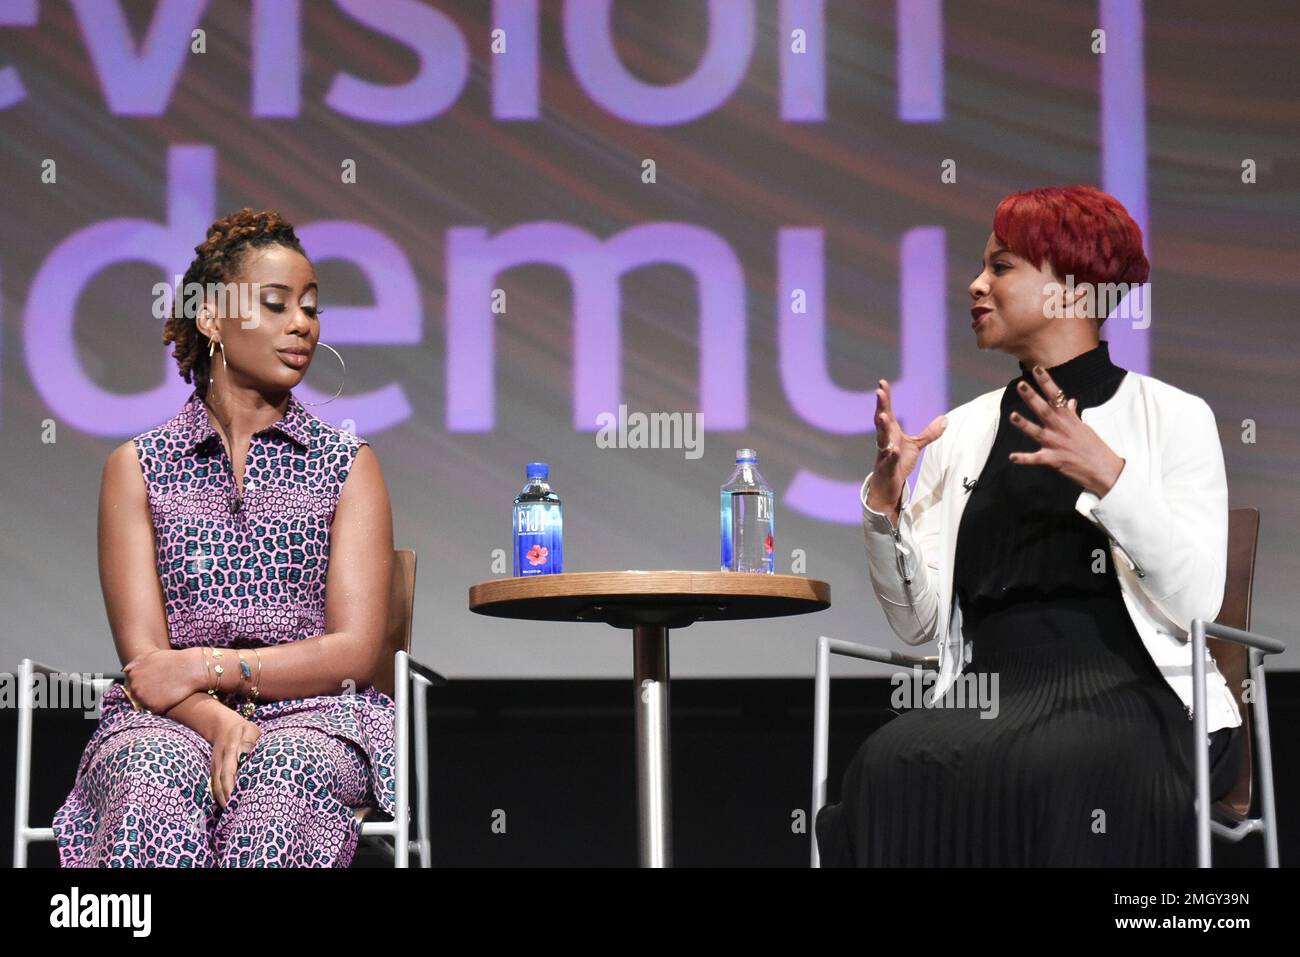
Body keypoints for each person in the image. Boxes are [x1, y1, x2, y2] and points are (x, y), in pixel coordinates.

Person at [816, 185, 1244, 867]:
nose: (975, 284)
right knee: (885, 764)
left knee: (1068, 766)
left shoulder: (1173, 416)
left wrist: (1111, 476)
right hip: (990, 692)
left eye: (1002, 266)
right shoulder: (960, 430)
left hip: (1139, 695)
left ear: (1072, 290)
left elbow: (1197, 604)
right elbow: (920, 627)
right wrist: (885, 510)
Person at [52, 208, 398, 866]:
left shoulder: (347, 464)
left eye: (310, 307)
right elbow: (150, 666)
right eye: (276, 304)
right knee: (145, 775)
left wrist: (216, 667)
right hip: (170, 718)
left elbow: (354, 649)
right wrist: (215, 715)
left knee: (283, 775)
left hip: (314, 714)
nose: (302, 323)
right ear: (211, 318)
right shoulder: (138, 467)